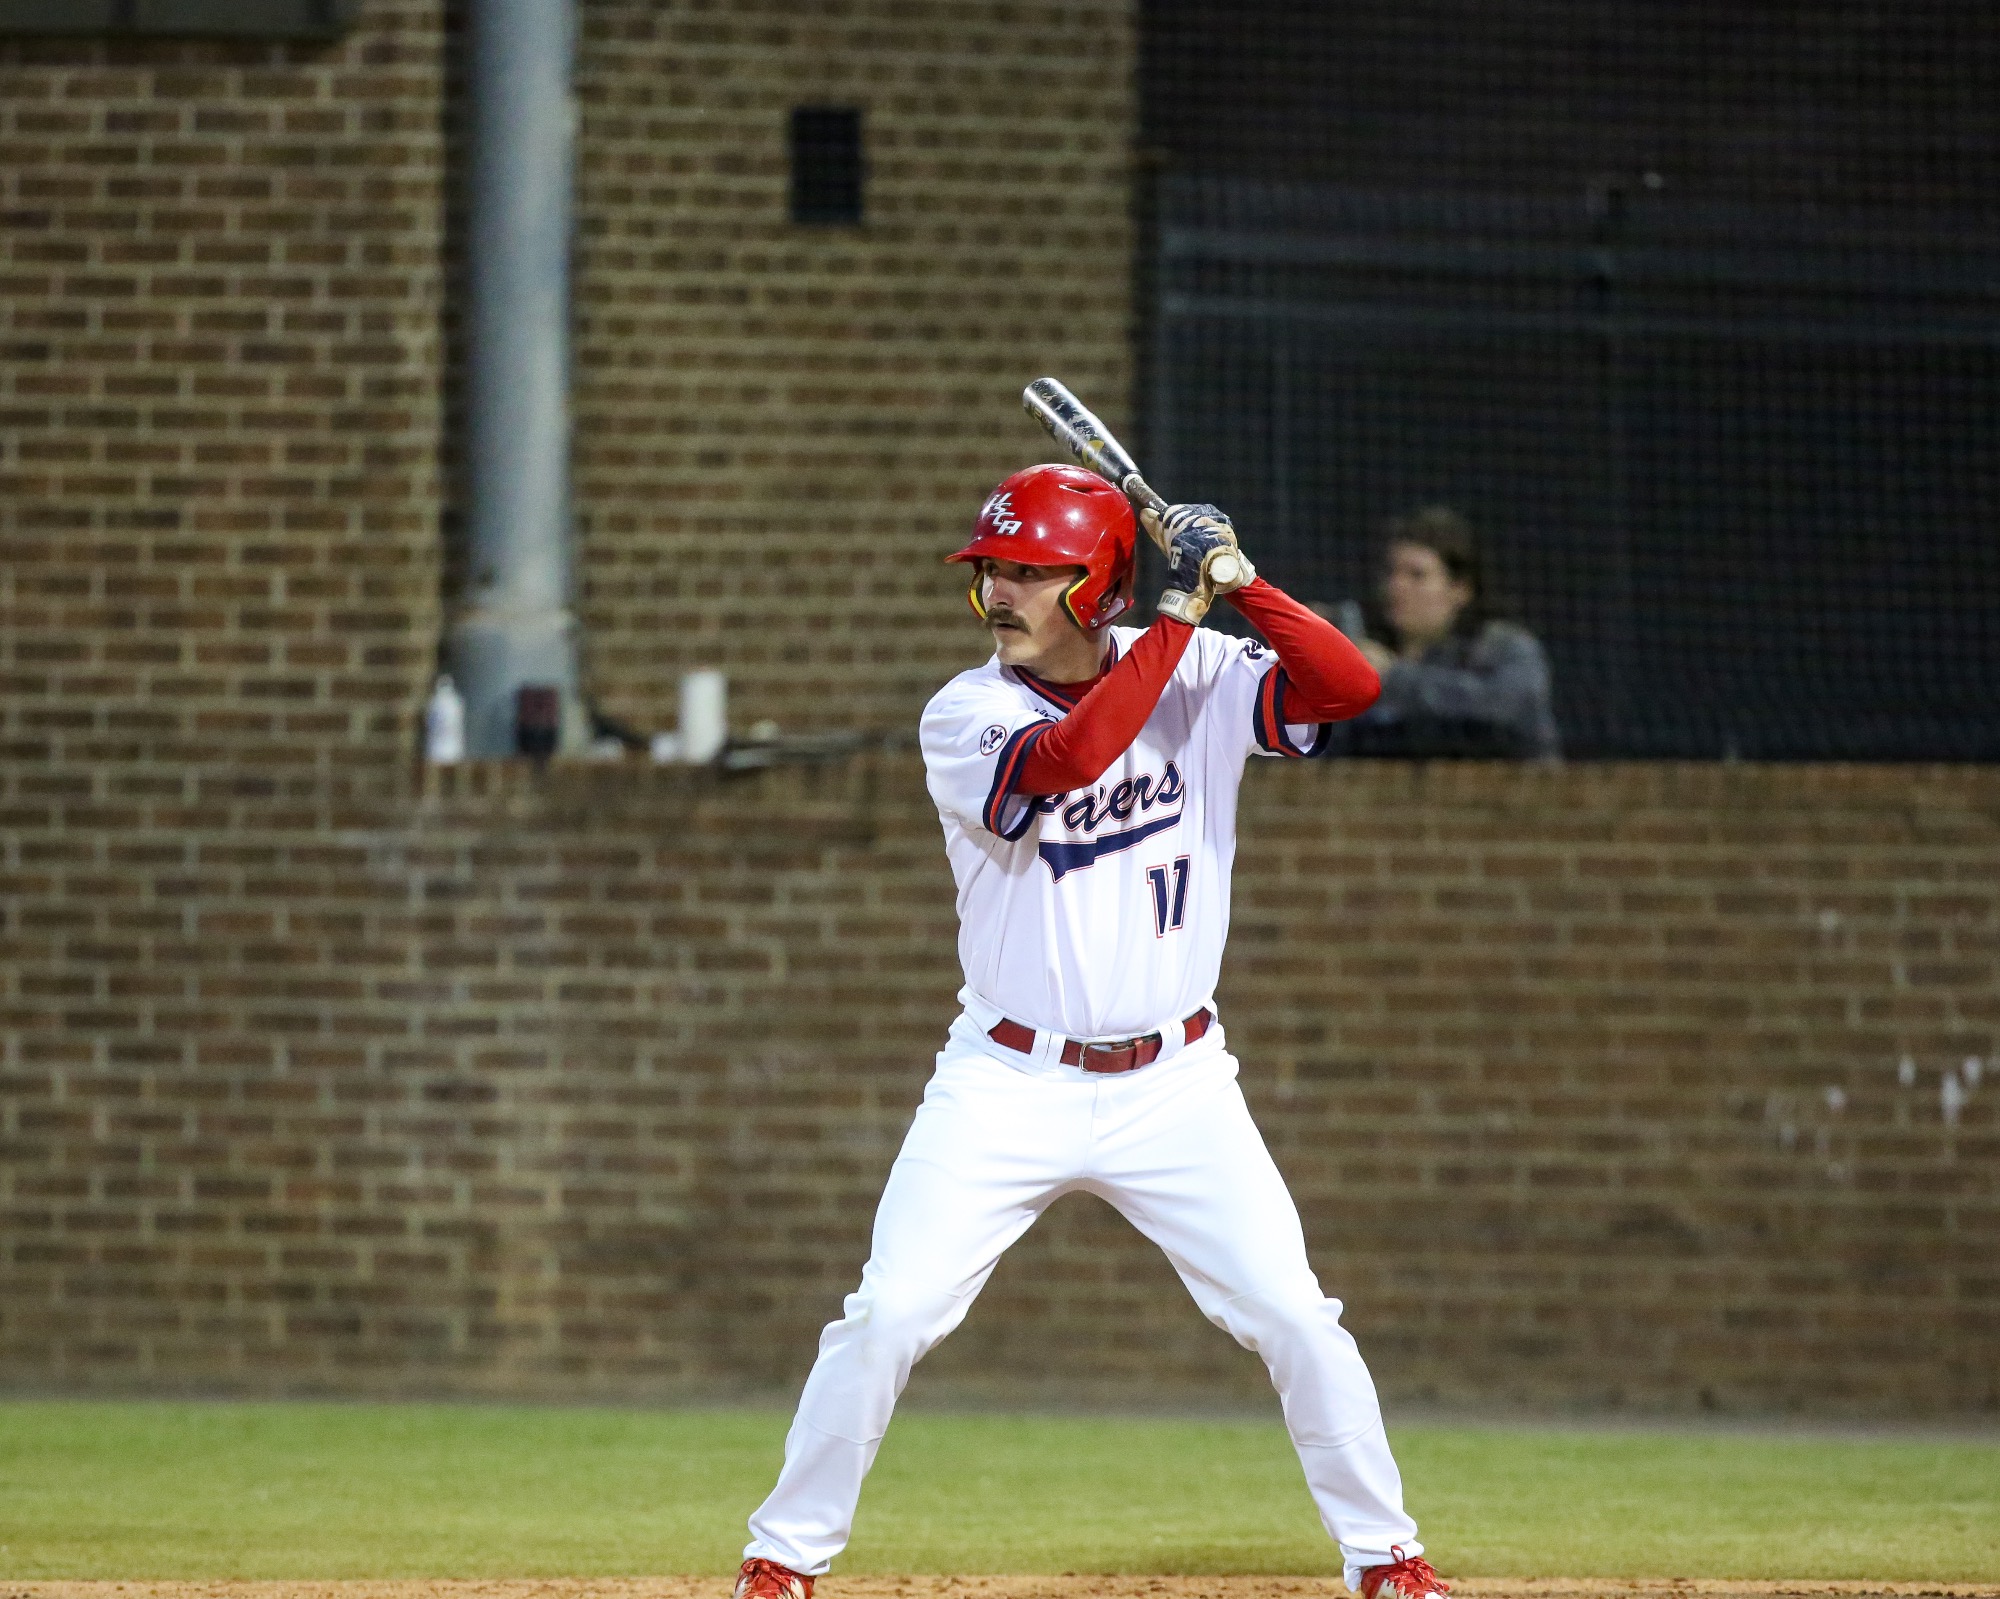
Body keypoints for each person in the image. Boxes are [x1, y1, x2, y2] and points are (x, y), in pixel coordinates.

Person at [732, 464, 1450, 1599]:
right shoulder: (966, 712)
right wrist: (1177, 611)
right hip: (1006, 1080)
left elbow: (1348, 685)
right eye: (994, 573)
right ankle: (781, 1559)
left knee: (1294, 1318)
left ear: (1096, 582)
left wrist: (1240, 582)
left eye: (1034, 571)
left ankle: (1386, 1557)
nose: (1004, 592)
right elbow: (1071, 760)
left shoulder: (1202, 666)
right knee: (889, 1315)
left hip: (1178, 1083)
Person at [1337, 506, 1559, 759]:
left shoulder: (1504, 648)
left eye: (1416, 575)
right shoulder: (1370, 647)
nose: (1396, 586)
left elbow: (1502, 708)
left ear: (1460, 589)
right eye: (1391, 572)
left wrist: (1392, 678)